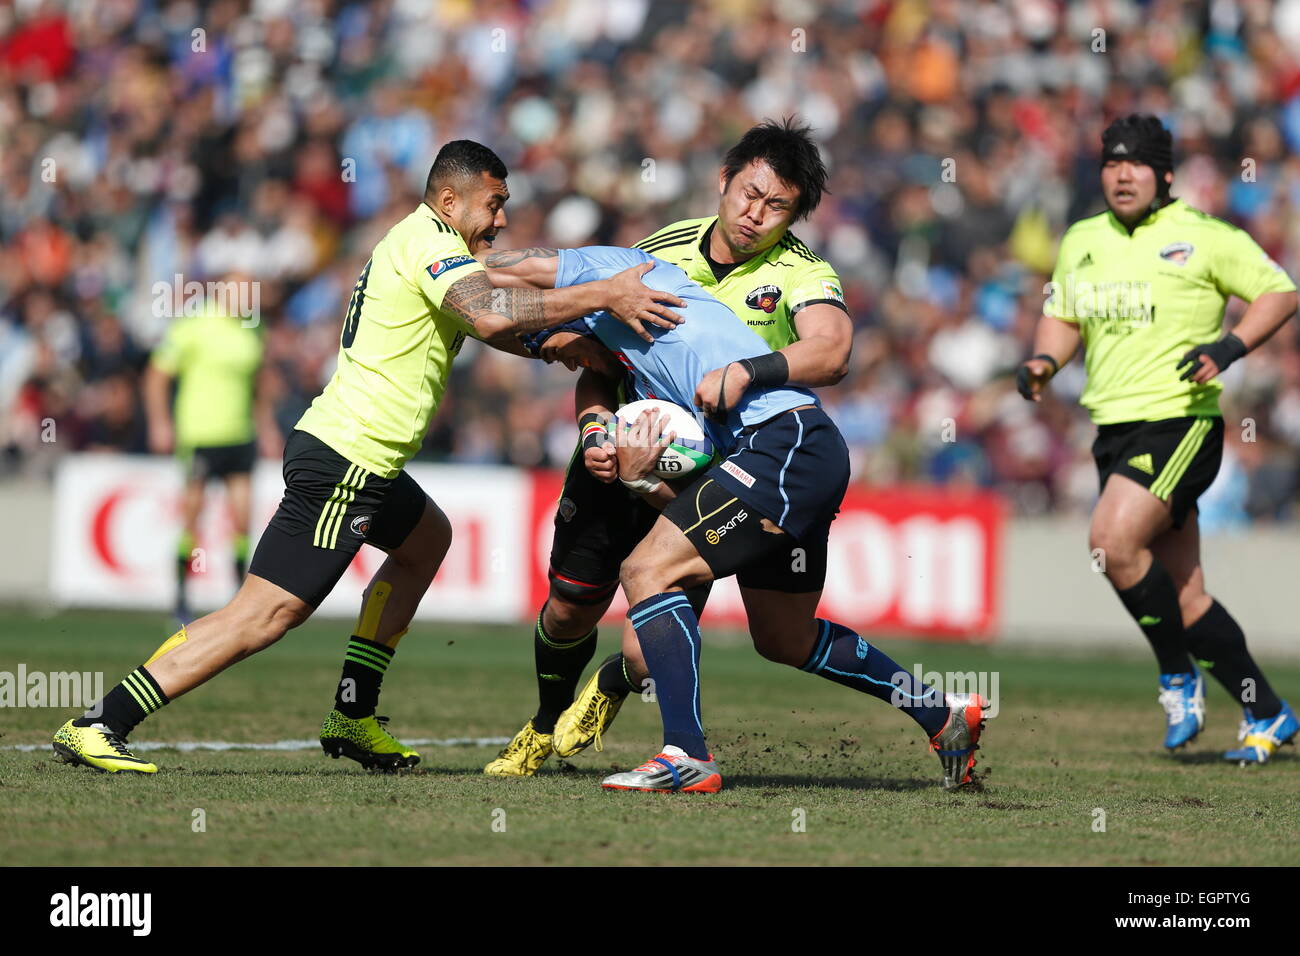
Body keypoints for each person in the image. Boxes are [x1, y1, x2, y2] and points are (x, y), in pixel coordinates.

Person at [50, 140, 683, 774]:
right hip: (347, 457)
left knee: (426, 540)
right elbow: (489, 315)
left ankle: (353, 713)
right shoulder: (432, 242)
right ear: (449, 200)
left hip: (362, 459)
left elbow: (486, 325)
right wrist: (603, 293)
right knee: (267, 612)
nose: (502, 221)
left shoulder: (427, 245)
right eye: (494, 205)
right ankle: (102, 722)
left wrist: (556, 348)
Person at [485, 244, 988, 792]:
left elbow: (505, 274)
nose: (564, 356)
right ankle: (942, 715)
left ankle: (687, 754)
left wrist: (448, 260)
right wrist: (636, 473)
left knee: (646, 572)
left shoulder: (616, 272)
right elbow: (687, 504)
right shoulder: (641, 367)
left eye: (552, 346)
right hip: (788, 457)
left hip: (786, 445)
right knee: (784, 637)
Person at [483, 118, 854, 777]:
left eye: (777, 207)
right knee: (568, 608)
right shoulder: (658, 251)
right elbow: (602, 356)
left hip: (707, 466)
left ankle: (633, 703)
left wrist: (746, 373)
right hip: (620, 442)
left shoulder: (802, 273)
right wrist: (597, 430)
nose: (756, 214)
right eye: (749, 193)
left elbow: (830, 351)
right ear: (724, 180)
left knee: (642, 653)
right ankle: (542, 725)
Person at [1017, 114, 1298, 764]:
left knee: (1111, 543)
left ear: (1165, 174)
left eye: (1136, 163)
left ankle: (1176, 675)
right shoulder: (1083, 238)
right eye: (1112, 162)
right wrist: (1043, 363)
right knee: (1184, 595)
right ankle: (1268, 711)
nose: (1122, 173)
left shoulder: (1203, 236)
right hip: (1113, 428)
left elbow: (1280, 293)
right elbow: (1061, 313)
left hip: (1180, 422)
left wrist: (1228, 347)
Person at [143, 286, 278, 621]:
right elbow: (156, 376)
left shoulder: (253, 329)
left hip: (240, 435)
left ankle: (238, 603)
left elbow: (258, 385)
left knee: (243, 519)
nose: (249, 298)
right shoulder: (192, 326)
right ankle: (181, 600)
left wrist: (266, 427)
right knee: (193, 517)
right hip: (200, 436)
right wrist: (161, 423)